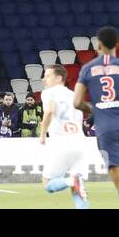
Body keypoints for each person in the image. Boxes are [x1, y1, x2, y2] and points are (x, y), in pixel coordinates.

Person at [72, 26, 119, 209]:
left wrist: (95, 109)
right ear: (117, 44)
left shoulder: (88, 69)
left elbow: (76, 101)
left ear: (98, 44)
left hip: (106, 126)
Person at [37, 65, 89, 209]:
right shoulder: (74, 95)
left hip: (62, 142)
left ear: (59, 78)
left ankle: (70, 181)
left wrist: (42, 134)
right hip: (80, 142)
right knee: (79, 189)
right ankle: (74, 183)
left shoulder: (49, 93)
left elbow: (49, 111)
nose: (43, 79)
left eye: (47, 76)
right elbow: (79, 118)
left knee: (47, 184)